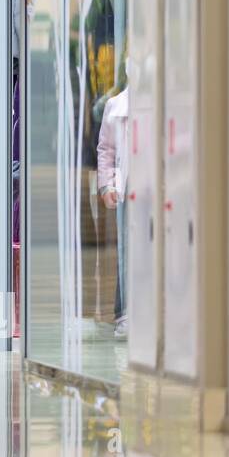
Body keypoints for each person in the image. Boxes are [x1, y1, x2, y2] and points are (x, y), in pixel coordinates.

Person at [96, 63, 129, 336]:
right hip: (127, 190)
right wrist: (106, 185)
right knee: (127, 252)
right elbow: (106, 149)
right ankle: (124, 313)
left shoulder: (165, 102)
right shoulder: (116, 106)